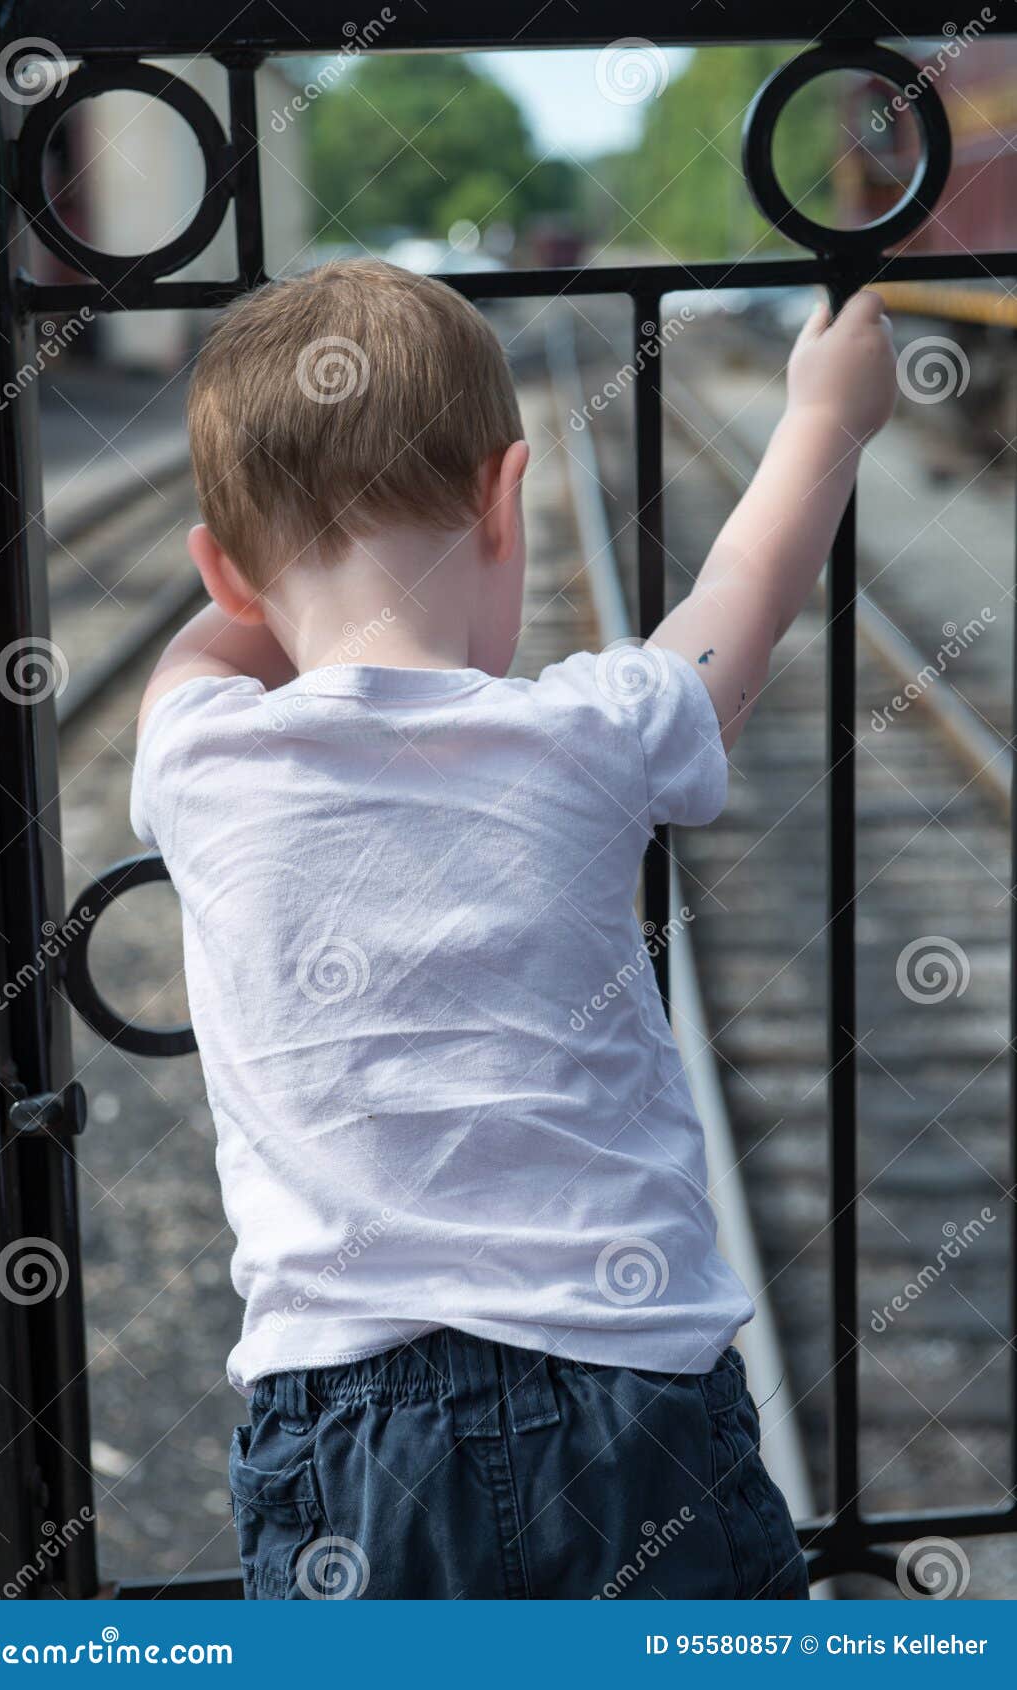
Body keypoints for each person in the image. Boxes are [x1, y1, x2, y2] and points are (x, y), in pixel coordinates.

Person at [131, 261, 895, 1599]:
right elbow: (743, 601)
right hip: (631, 1397)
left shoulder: (197, 755)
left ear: (222, 573)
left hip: (347, 1427)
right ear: (508, 494)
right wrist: (825, 419)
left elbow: (197, 655)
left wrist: (270, 561)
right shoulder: (593, 726)